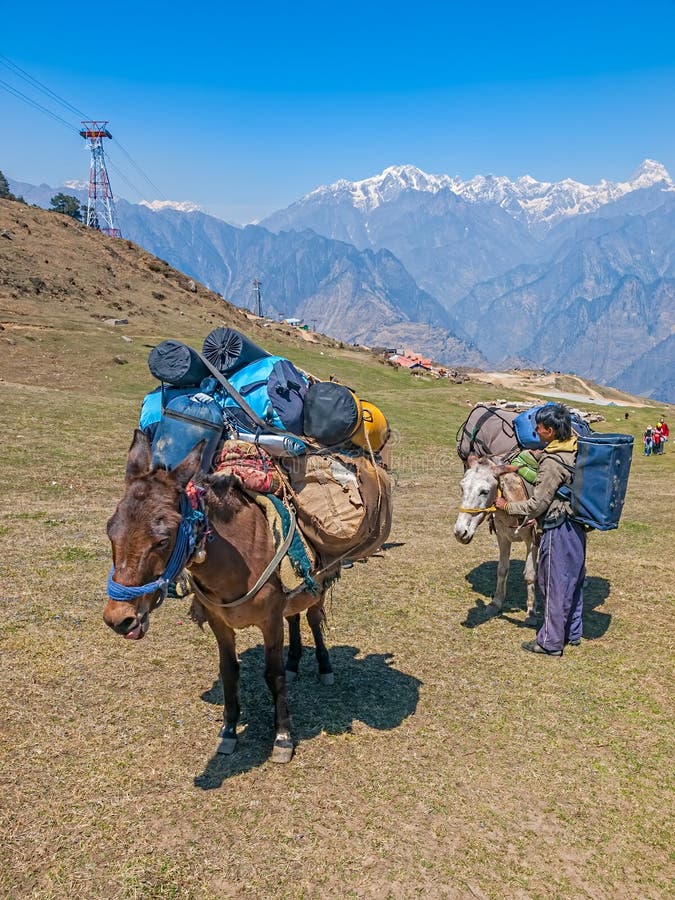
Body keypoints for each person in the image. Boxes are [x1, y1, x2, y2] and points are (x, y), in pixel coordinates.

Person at [495, 403, 585, 656]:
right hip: (577, 524)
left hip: (558, 526)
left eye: (540, 427)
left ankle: (550, 641)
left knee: (553, 582)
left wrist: (507, 506)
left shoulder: (553, 461)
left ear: (551, 431)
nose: (535, 430)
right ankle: (573, 631)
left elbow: (538, 504)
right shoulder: (575, 448)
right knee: (574, 578)